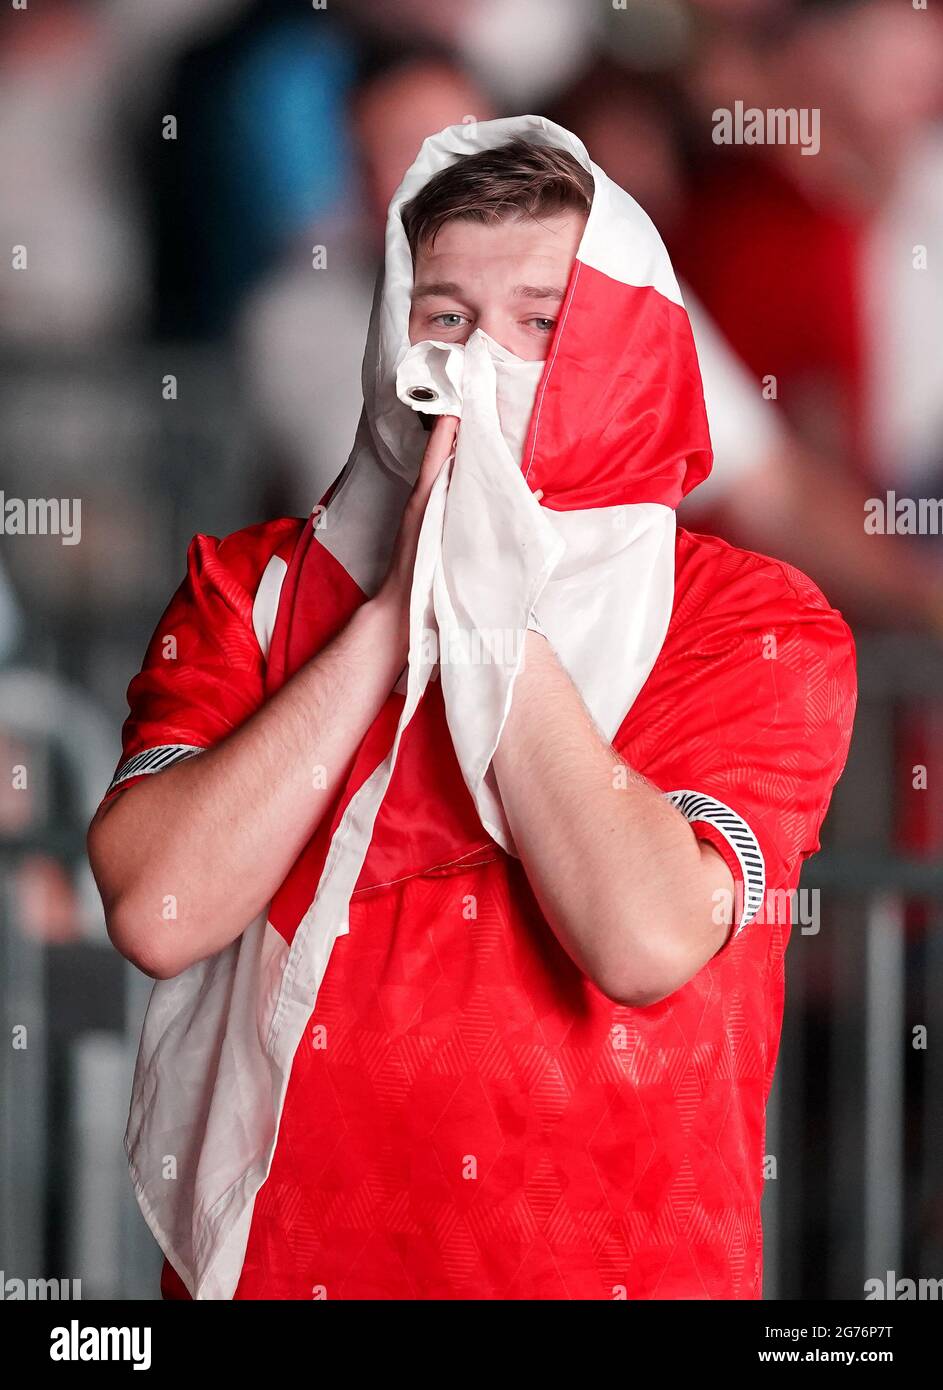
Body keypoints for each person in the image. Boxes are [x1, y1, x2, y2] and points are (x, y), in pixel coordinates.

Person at [87, 117, 857, 1300]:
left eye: (541, 326)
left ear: (628, 349)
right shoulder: (256, 587)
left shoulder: (751, 620)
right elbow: (159, 909)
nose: (476, 365)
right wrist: (394, 615)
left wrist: (492, 611)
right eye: (443, 318)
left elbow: (644, 939)